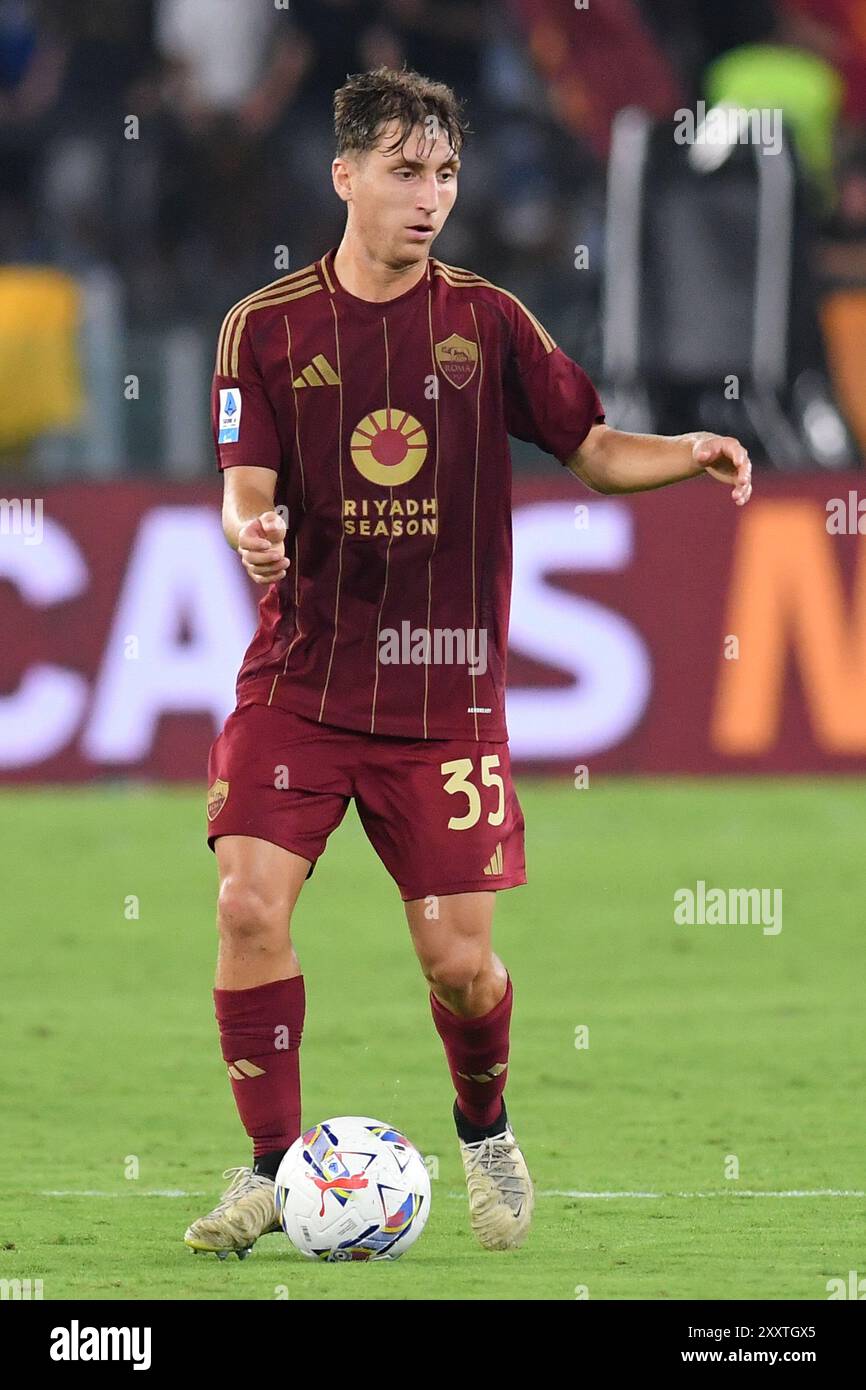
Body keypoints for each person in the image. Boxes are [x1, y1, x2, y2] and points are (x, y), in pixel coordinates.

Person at [185, 65, 752, 1261]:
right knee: (246, 908)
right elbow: (245, 487)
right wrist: (255, 528)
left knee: (458, 964)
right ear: (344, 176)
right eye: (403, 171)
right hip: (302, 682)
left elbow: (590, 447)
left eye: (444, 172)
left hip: (447, 702)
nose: (428, 195)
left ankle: (484, 1127)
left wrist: (687, 449)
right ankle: (269, 1167)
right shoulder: (266, 326)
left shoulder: (485, 323)